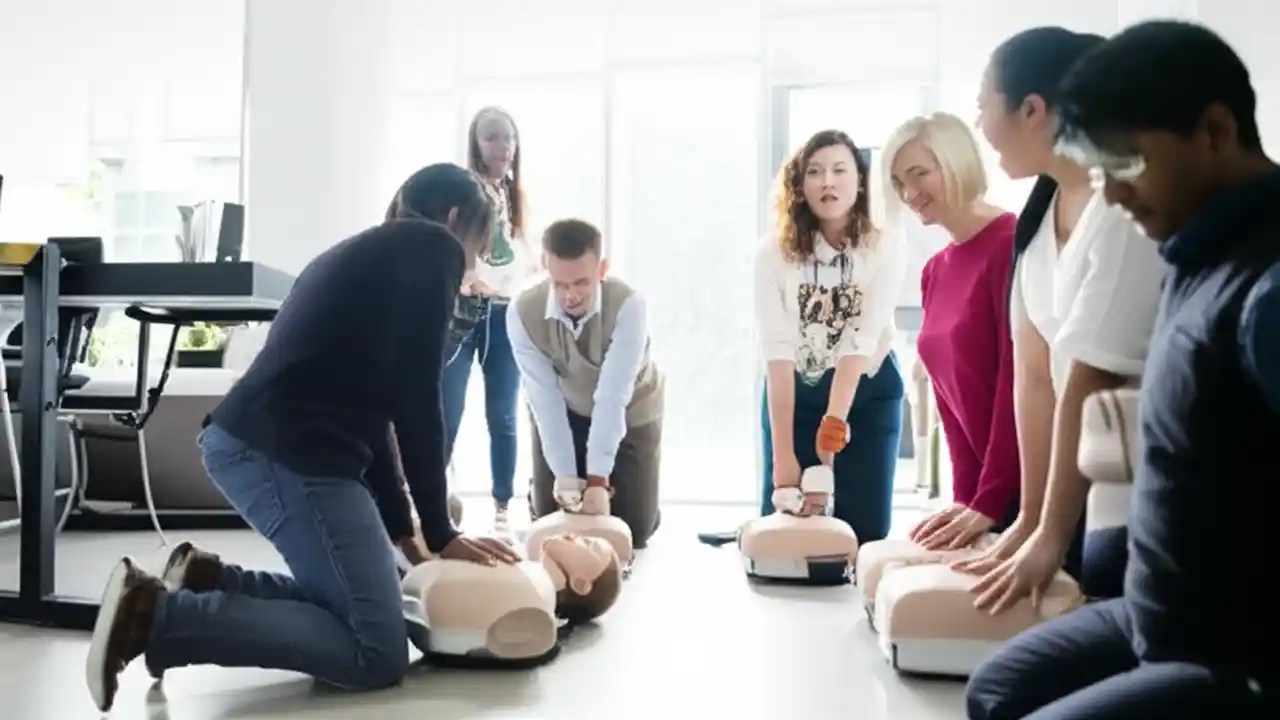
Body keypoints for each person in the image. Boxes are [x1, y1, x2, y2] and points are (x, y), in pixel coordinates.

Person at [84, 163, 522, 713]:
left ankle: (209, 582)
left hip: (266, 446)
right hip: (287, 454)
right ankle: (157, 615)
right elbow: (416, 397)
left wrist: (405, 529)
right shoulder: (433, 248)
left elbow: (381, 412)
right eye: (478, 247)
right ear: (457, 218)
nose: (471, 267)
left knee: (368, 599)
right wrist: (440, 527)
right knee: (377, 650)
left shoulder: (367, 253)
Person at [967, 20, 1279, 718]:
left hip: (1237, 651)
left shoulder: (1267, 283)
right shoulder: (1192, 255)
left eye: (1128, 164)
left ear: (1216, 133)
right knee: (994, 690)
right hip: (1154, 612)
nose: (1111, 196)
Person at [952, 26, 1166, 607]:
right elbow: (1036, 378)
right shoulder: (1036, 222)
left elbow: (1089, 378)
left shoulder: (1125, 209)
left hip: (1139, 508)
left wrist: (1051, 534)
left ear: (1031, 109)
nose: (979, 123)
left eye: (981, 105)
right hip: (1077, 502)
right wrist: (1028, 519)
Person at [755, 129, 907, 544]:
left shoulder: (885, 245)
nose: (828, 181)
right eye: (815, 172)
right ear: (799, 188)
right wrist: (784, 456)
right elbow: (777, 352)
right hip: (795, 393)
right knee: (787, 527)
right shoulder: (771, 254)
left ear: (860, 182)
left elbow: (861, 339)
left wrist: (833, 427)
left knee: (866, 532)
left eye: (840, 170)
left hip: (867, 389)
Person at [883, 112, 1020, 551]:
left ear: (956, 161)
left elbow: (1016, 384)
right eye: (899, 181)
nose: (909, 193)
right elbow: (948, 399)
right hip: (983, 498)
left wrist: (991, 500)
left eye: (920, 173)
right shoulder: (935, 271)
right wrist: (965, 501)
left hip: (1027, 492)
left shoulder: (1013, 245)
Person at [510, 218, 663, 549]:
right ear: (545, 268)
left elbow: (613, 395)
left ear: (602, 269)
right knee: (549, 518)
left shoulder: (630, 305)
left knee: (633, 528)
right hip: (564, 408)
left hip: (631, 409)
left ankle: (641, 493)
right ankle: (545, 484)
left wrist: (597, 480)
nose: (570, 295)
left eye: (581, 282)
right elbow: (544, 400)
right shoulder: (522, 312)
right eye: (560, 284)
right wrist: (565, 476)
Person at [445, 106, 538, 534]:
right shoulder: (466, 192)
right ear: (475, 144)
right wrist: (466, 277)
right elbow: (460, 248)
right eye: (491, 138)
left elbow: (519, 256)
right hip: (465, 310)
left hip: (505, 313)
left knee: (502, 414)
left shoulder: (516, 197)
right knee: (449, 408)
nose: (502, 147)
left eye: (509, 138)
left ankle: (503, 508)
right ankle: (434, 497)